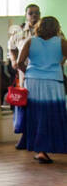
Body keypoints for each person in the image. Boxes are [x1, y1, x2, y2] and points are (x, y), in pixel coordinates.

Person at [14, 15, 67, 163]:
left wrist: (30, 73)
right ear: (57, 28)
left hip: (33, 82)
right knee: (53, 114)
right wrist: (58, 64)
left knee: (36, 114)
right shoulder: (61, 42)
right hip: (54, 82)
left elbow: (19, 63)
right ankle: (54, 145)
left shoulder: (31, 41)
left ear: (39, 27)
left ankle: (40, 150)